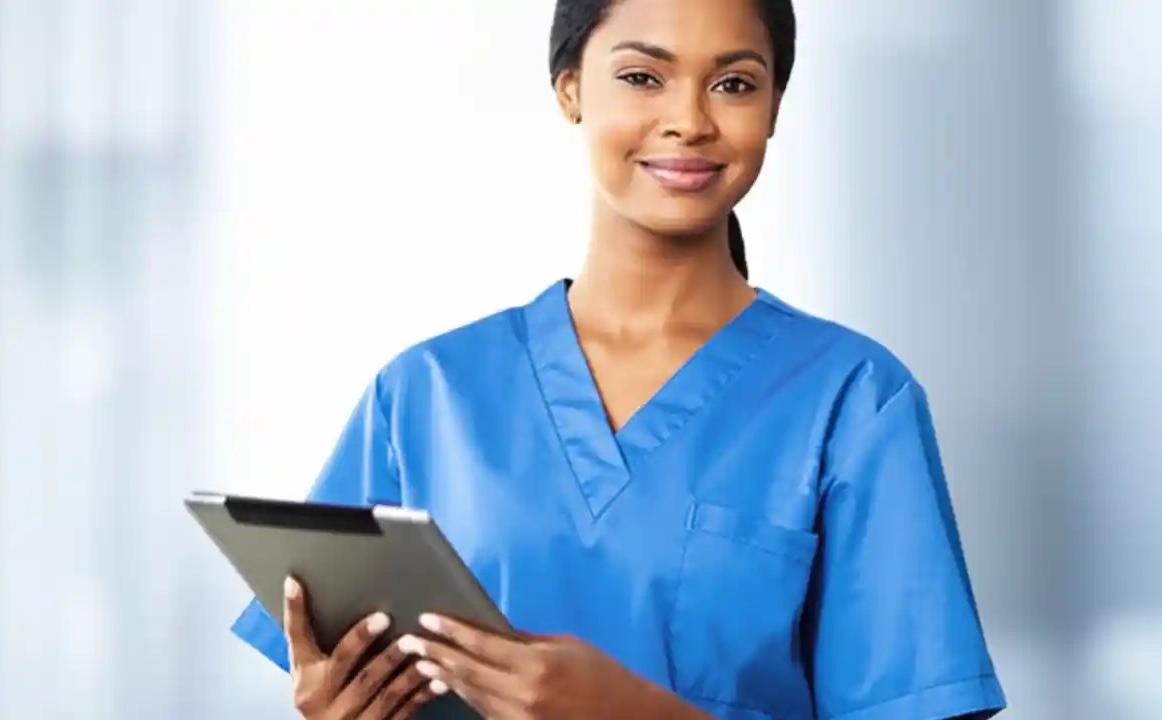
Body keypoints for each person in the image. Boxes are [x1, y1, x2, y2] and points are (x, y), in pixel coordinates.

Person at [231, 1, 1009, 718]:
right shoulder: (427, 392)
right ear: (569, 89)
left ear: (774, 107)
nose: (689, 121)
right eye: (642, 77)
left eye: (734, 84)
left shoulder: (853, 400)